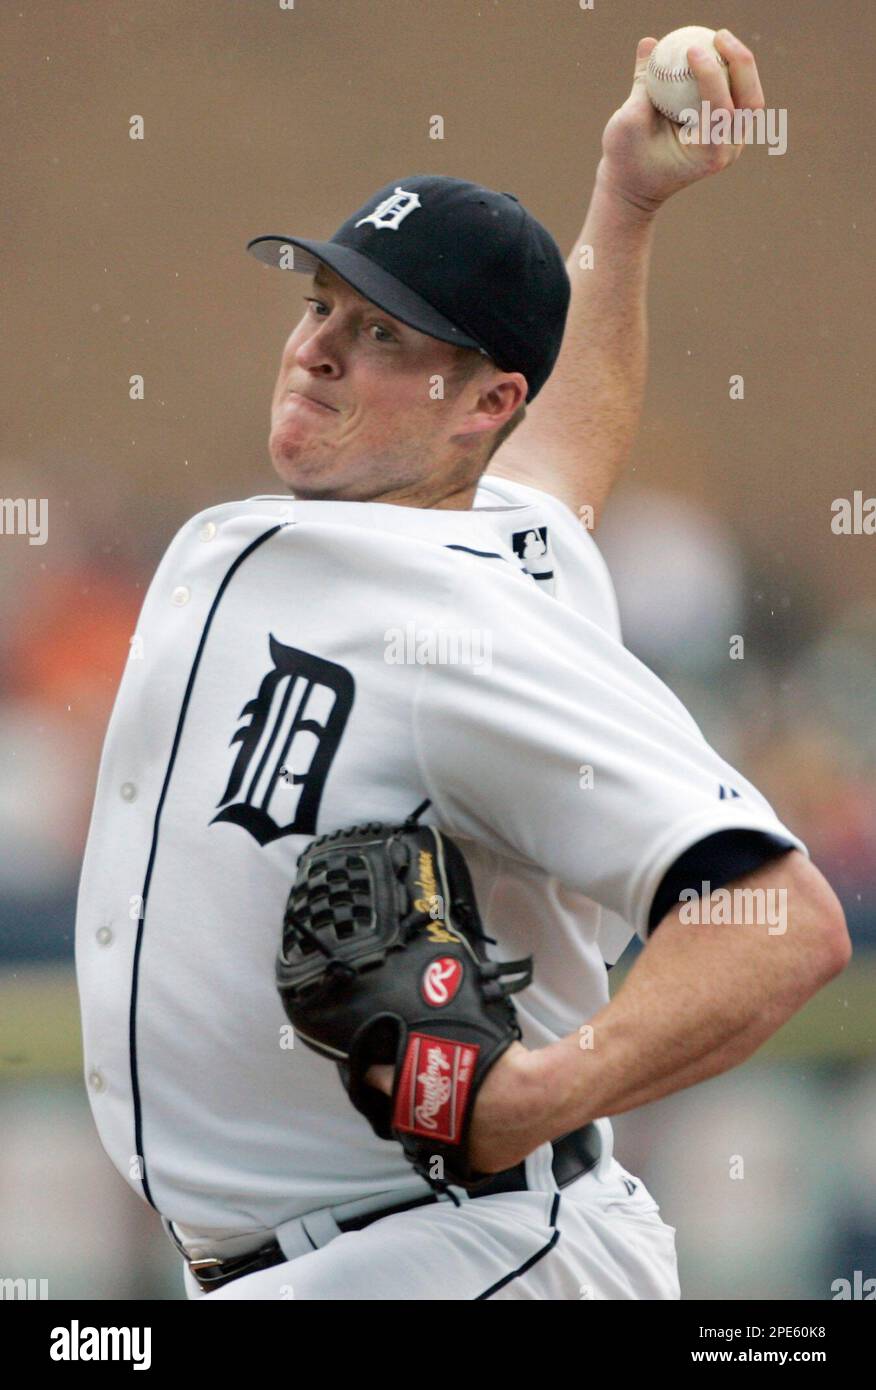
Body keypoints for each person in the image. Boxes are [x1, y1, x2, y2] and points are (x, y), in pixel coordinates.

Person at [74, 34, 850, 1300]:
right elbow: (566, 442)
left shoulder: (473, 632)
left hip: (453, 1255)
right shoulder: (500, 526)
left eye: (381, 333)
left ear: (481, 402)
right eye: (320, 304)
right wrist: (628, 202)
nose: (316, 348)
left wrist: (535, 1092)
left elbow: (781, 924)